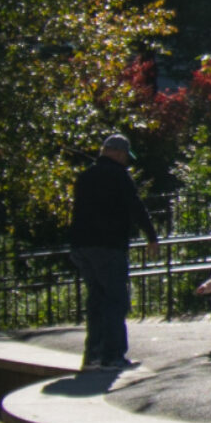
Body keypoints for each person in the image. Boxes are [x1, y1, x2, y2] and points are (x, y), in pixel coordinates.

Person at [69, 133, 158, 370]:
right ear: (118, 153)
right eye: (125, 156)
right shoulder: (119, 176)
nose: (127, 161)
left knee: (96, 299)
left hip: (81, 245)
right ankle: (112, 355)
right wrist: (151, 236)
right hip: (109, 245)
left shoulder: (85, 176)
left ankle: (93, 355)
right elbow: (135, 206)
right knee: (115, 300)